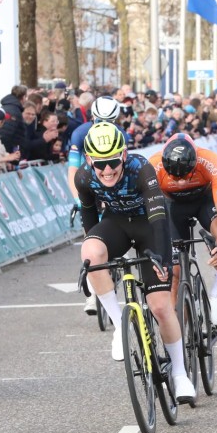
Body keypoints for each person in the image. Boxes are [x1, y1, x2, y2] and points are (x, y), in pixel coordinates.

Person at [74, 122, 196, 403]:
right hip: (117, 224)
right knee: (90, 250)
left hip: (149, 225)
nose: (107, 170)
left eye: (113, 162)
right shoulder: (83, 178)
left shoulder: (141, 169)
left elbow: (158, 218)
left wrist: (162, 258)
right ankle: (120, 325)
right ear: (90, 160)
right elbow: (90, 221)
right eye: (100, 164)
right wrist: (94, 265)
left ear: (124, 155)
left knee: (161, 306)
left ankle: (179, 373)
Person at [148, 134, 217, 325]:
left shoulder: (210, 161)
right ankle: (179, 338)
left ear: (195, 164)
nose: (181, 183)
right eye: (175, 178)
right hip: (171, 205)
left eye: (186, 176)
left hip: (203, 201)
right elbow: (150, 213)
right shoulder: (153, 166)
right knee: (175, 274)